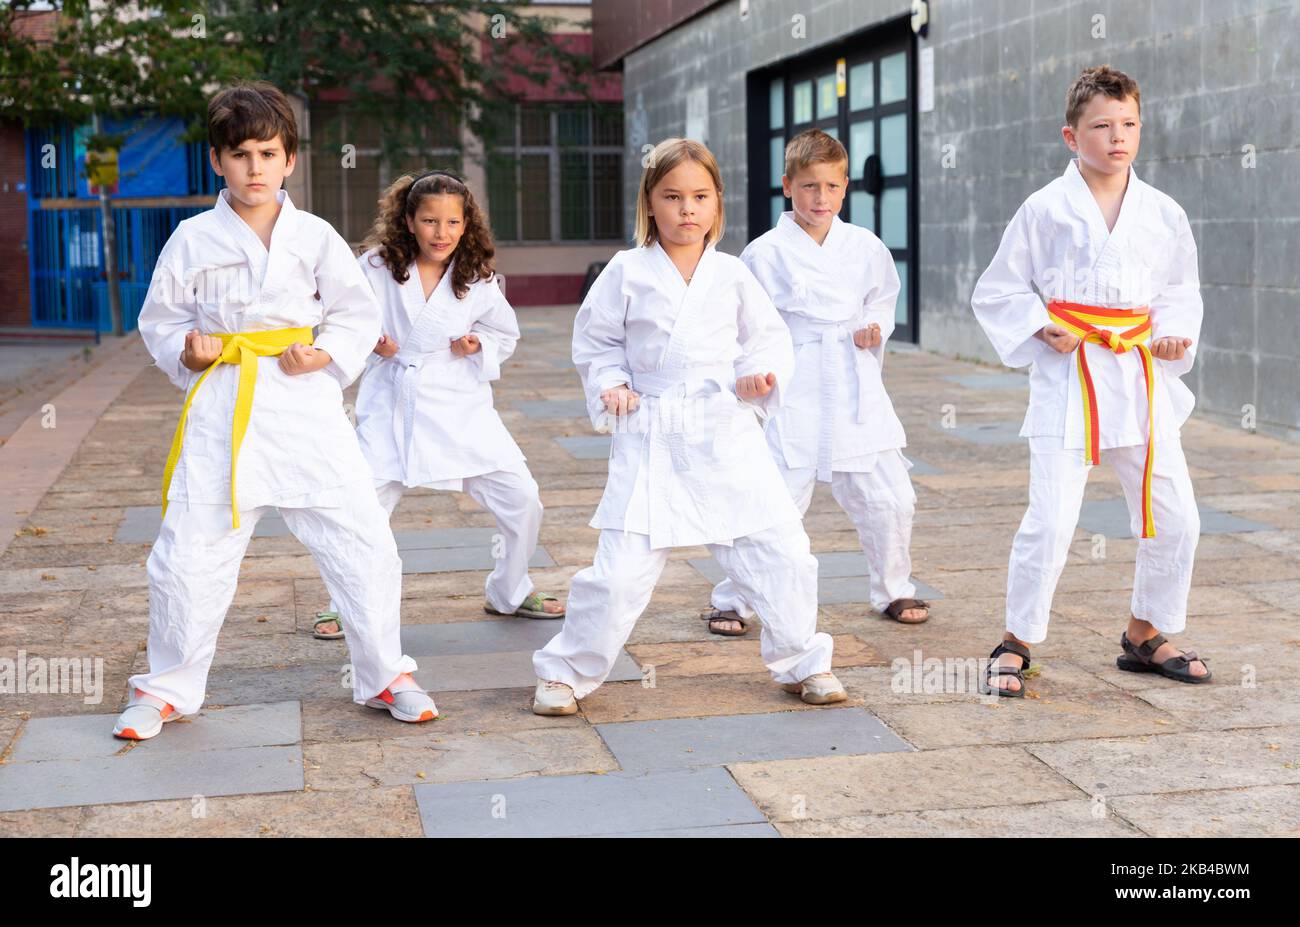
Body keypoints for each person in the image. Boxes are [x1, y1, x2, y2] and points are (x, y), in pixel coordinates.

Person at [115, 81, 436, 740]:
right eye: (240, 155)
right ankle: (167, 686)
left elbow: (354, 313)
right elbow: (161, 320)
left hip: (305, 408)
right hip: (225, 408)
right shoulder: (192, 239)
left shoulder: (314, 237)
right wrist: (192, 353)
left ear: (290, 159)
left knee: (364, 539)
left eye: (267, 153)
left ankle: (384, 674)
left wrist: (325, 356)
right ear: (217, 161)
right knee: (187, 553)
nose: (254, 167)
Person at [530, 138, 844, 716]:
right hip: (652, 426)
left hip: (724, 427)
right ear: (650, 202)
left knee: (783, 551)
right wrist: (612, 384)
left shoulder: (732, 274)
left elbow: (766, 342)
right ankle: (566, 671)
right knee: (620, 572)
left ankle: (804, 661)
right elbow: (597, 343)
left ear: (717, 203)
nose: (686, 210)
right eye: (672, 197)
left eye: (699, 197)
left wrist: (757, 378)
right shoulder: (626, 271)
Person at [971, 65, 1209, 697]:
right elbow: (996, 290)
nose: (1117, 137)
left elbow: (1180, 291)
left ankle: (1144, 631)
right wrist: (1040, 325)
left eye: (1128, 124)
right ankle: (1016, 640)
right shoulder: (1044, 209)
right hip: (1069, 368)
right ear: (1071, 136)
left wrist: (1175, 334)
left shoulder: (1162, 212)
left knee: (1177, 515)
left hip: (1138, 371)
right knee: (1050, 519)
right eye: (1101, 126)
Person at [311, 170, 564, 641]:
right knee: (359, 507)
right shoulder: (373, 268)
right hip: (392, 400)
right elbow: (341, 321)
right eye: (429, 221)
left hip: (458, 404)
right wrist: (373, 344)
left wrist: (476, 345)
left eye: (452, 222)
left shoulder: (478, 277)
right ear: (408, 220)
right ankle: (344, 602)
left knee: (522, 499)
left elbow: (502, 332)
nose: (441, 233)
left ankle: (509, 589)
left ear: (466, 224)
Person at [705, 128, 928, 637]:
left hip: (852, 379)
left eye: (830, 187)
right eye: (809, 186)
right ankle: (735, 597)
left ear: (845, 188)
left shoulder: (865, 246)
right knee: (771, 497)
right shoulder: (764, 254)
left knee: (892, 498)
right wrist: (750, 373)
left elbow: (880, 298)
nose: (820, 198)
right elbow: (744, 325)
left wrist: (875, 328)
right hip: (795, 380)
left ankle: (893, 587)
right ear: (787, 186)